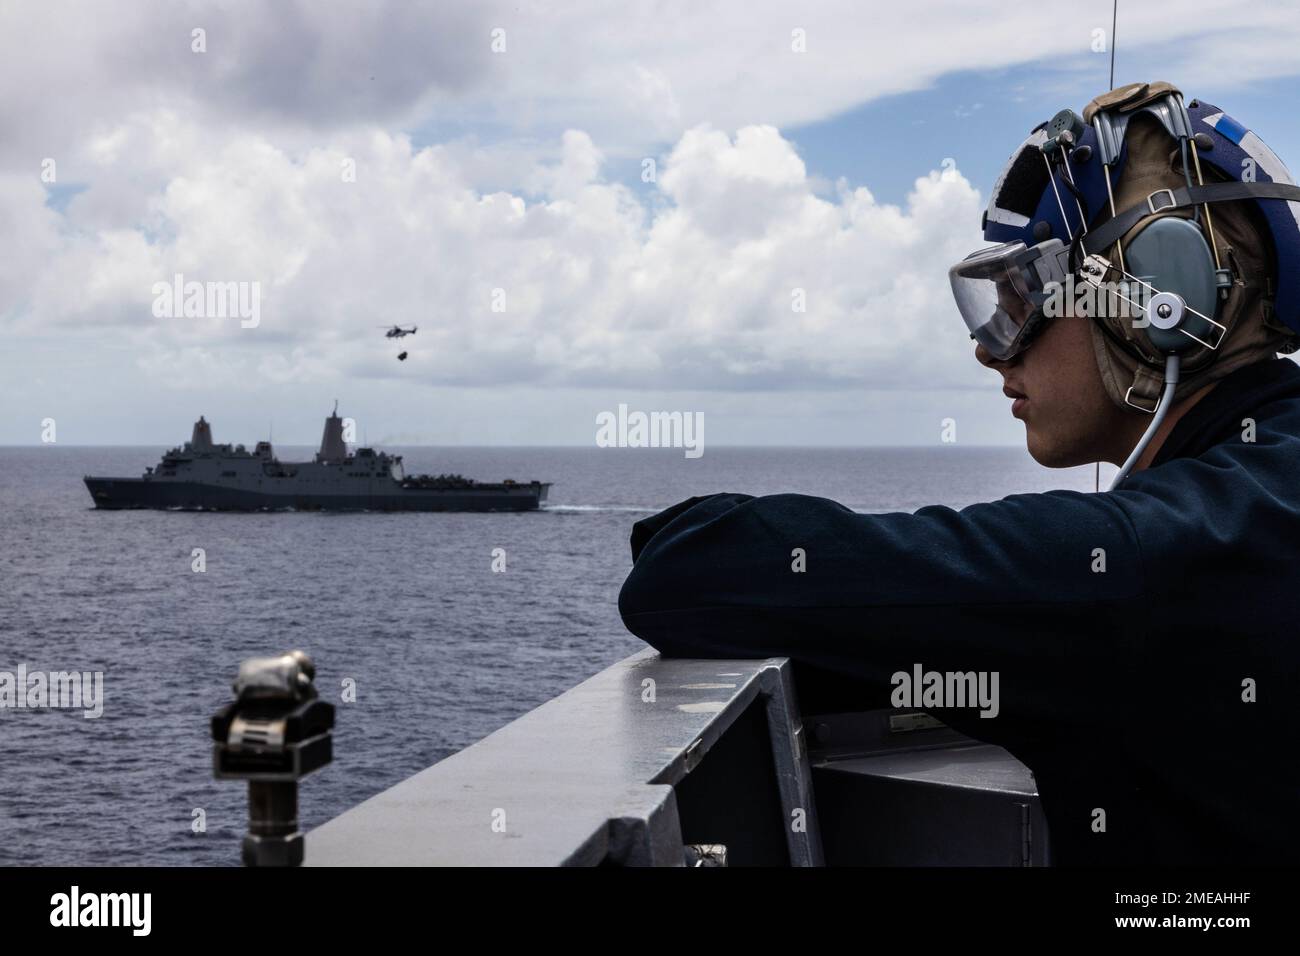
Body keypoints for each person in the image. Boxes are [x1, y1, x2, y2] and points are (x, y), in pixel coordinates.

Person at [618, 82, 1300, 865]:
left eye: (1022, 298)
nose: (989, 350)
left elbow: (686, 571)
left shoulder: (1150, 562)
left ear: (1153, 299)